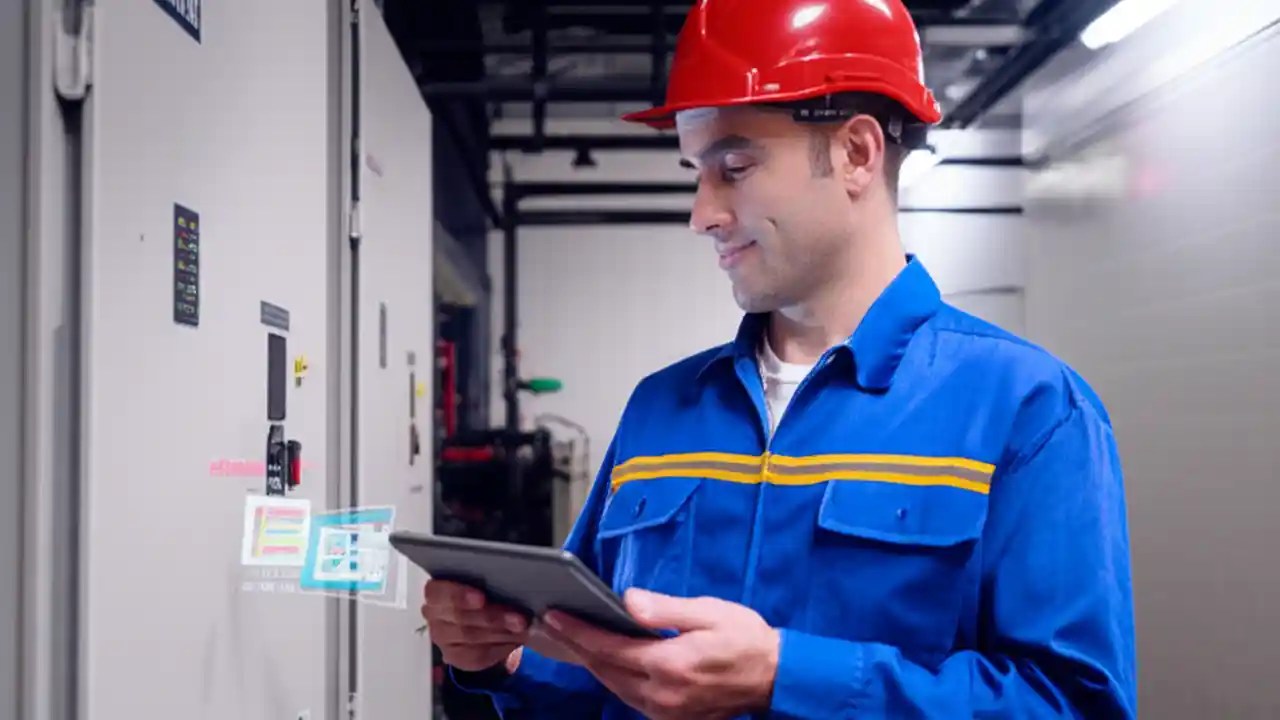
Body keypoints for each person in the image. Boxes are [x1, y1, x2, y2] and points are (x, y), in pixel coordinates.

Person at [421, 0, 1138, 717]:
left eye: (733, 166)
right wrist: (503, 663)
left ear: (857, 153)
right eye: (694, 173)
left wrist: (786, 675)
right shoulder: (660, 409)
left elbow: (1073, 705)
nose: (701, 213)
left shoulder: (1028, 407)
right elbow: (602, 674)